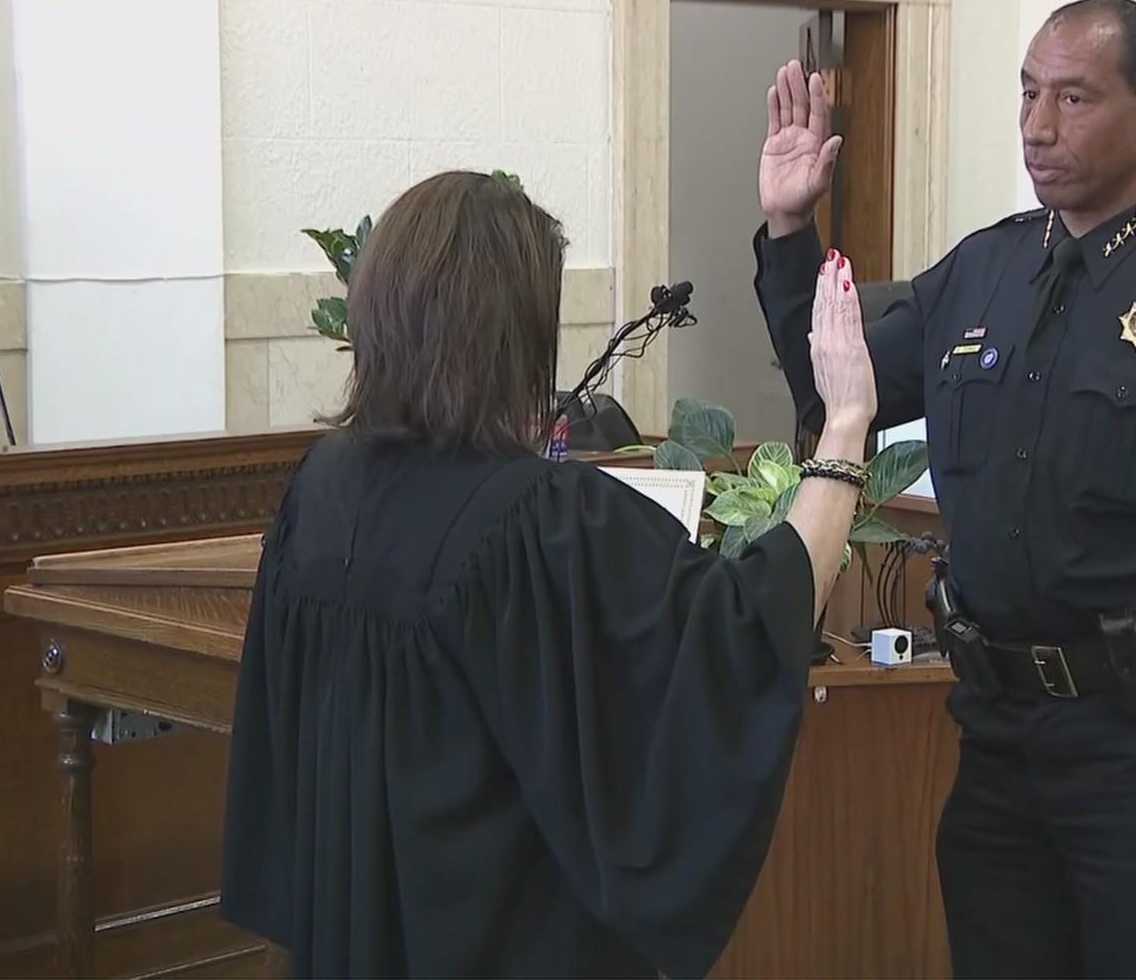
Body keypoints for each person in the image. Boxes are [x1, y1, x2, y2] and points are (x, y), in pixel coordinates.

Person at [751, 0, 1136, 977]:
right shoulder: (983, 272)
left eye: (1073, 97)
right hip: (997, 750)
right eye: (1028, 93)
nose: (1036, 126)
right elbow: (836, 378)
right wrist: (788, 226)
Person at [220, 170, 880, 977]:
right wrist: (844, 428)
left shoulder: (316, 488)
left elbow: (278, 774)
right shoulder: (537, 521)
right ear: (509, 335)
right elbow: (742, 630)